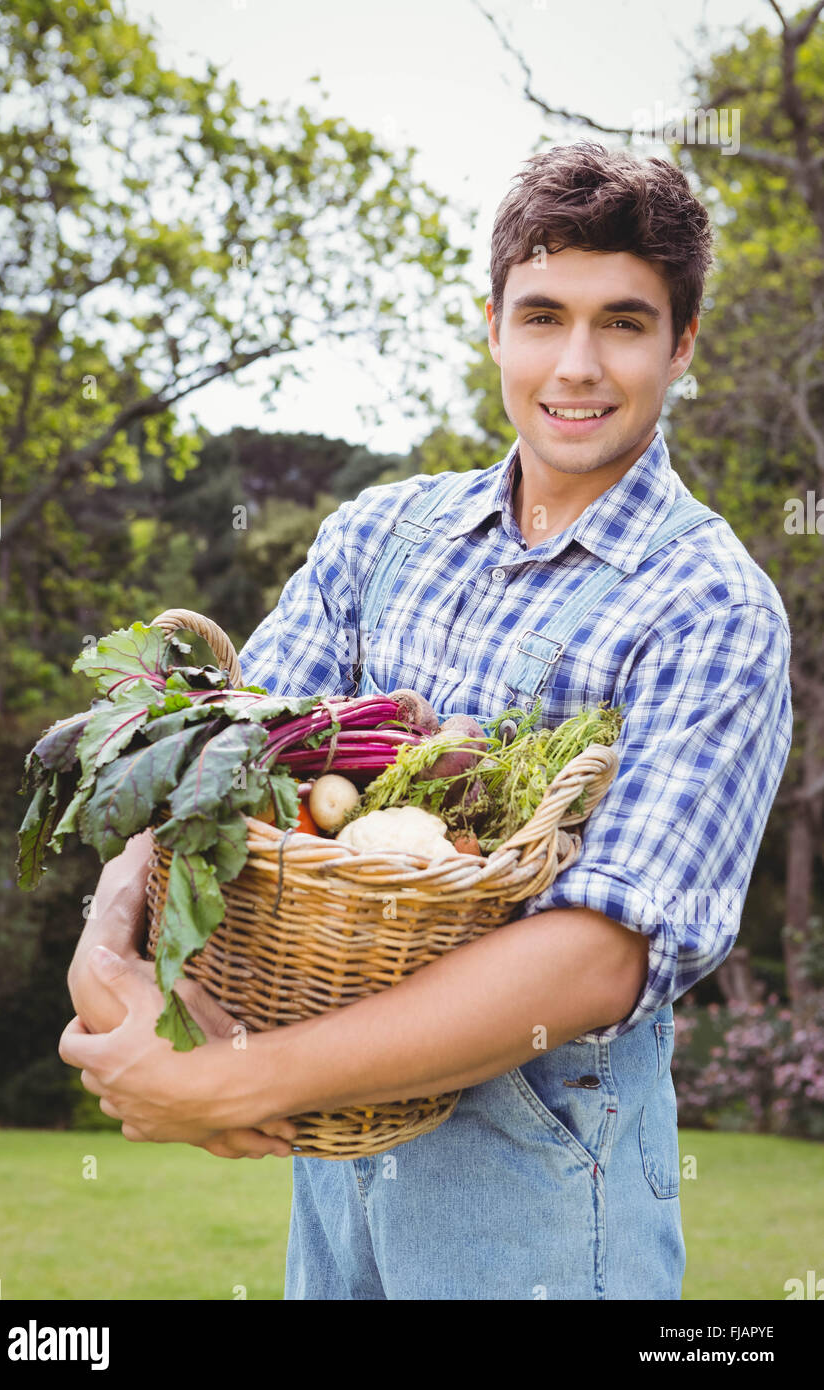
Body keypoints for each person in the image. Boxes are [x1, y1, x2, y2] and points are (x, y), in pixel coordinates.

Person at [61, 140, 793, 1300]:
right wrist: (108, 945)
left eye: (623, 322)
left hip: (545, 1190)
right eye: (543, 314)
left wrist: (247, 1077)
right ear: (492, 325)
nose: (576, 364)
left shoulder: (711, 607)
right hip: (340, 1178)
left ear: (681, 345)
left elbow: (596, 960)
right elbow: (207, 756)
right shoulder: (379, 536)